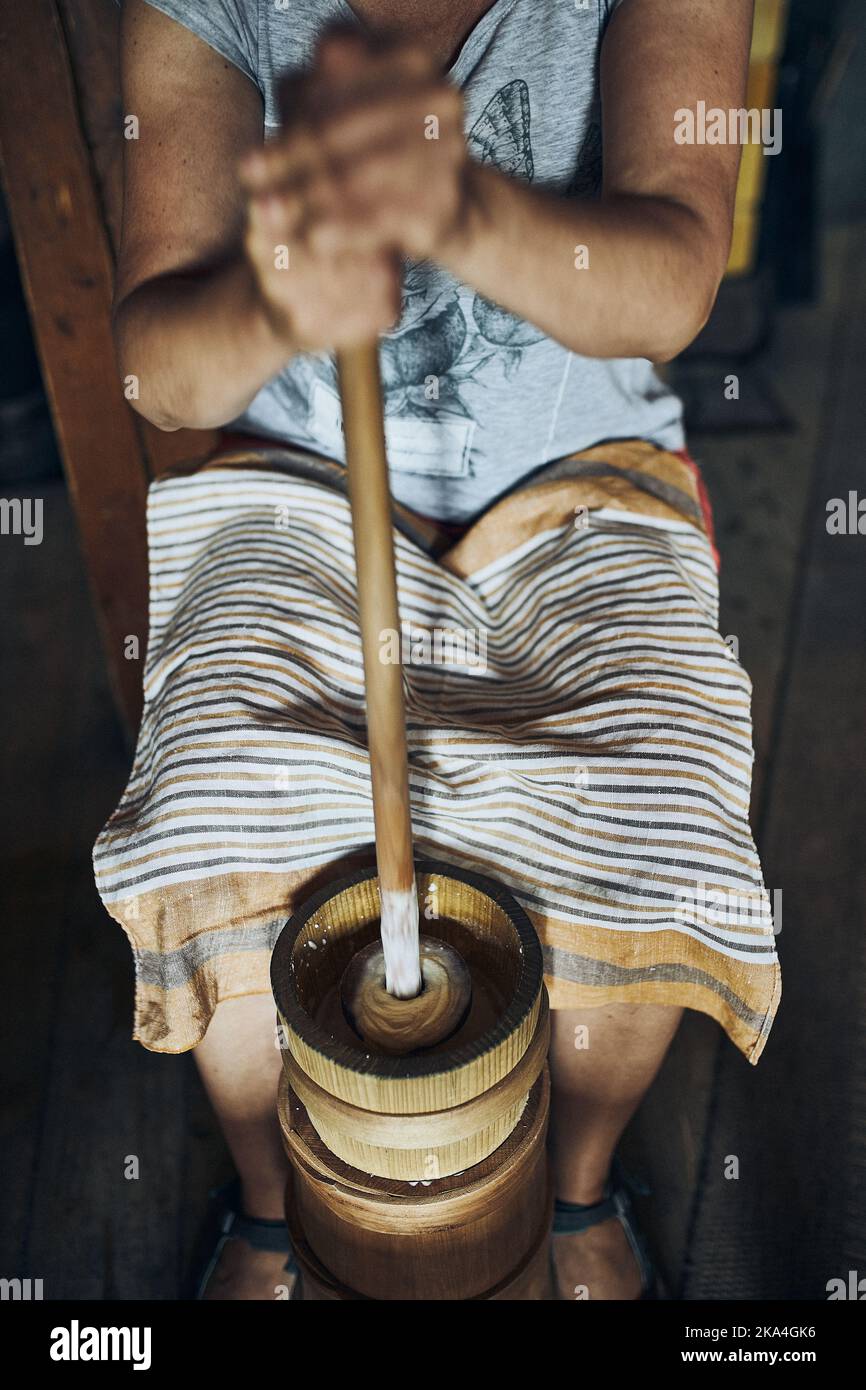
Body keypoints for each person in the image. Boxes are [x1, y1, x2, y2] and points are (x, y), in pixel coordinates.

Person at [97, 0, 779, 1300]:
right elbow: (161, 378)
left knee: (658, 807)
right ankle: (273, 1197)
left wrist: (457, 210)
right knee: (212, 804)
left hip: (580, 480)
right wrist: (272, 300)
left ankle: (572, 1179)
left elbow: (673, 283)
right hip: (298, 485)